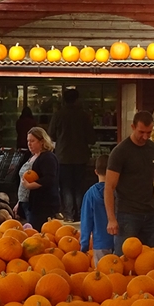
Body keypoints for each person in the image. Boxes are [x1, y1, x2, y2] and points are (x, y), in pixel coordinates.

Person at [105, 111, 154, 254]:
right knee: (125, 257)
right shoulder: (120, 152)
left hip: (151, 212)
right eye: (141, 132)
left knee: (153, 256)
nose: (145, 137)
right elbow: (109, 187)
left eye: (149, 132)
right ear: (133, 127)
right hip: (127, 213)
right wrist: (111, 219)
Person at [49, 89, 96, 222]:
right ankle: (81, 214)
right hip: (81, 156)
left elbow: (51, 134)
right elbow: (92, 138)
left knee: (66, 187)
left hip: (63, 156)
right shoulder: (83, 116)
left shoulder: (58, 115)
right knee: (79, 187)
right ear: (77, 99)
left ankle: (69, 214)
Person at [13, 127, 60, 231]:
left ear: (42, 141)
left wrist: (31, 186)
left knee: (36, 233)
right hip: (27, 203)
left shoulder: (48, 157)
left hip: (41, 205)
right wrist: (19, 202)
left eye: (32, 141)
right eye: (28, 141)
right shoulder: (31, 156)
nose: (29, 144)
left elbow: (49, 178)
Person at [81, 155, 113, 265]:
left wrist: (84, 244)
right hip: (118, 241)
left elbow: (86, 221)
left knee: (101, 274)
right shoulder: (117, 192)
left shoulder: (90, 194)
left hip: (100, 243)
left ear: (95, 172)